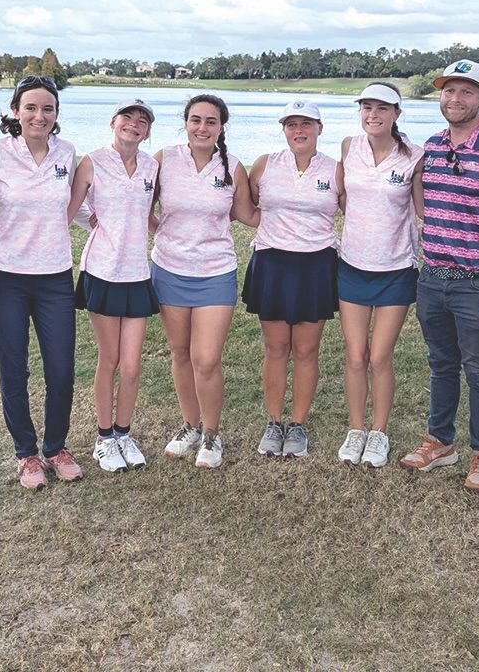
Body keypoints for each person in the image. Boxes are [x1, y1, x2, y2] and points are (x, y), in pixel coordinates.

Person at [397, 60, 479, 495]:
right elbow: (421, 202)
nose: (455, 99)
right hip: (432, 277)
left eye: (466, 92)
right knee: (440, 364)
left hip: (478, 282)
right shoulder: (432, 148)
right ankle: (440, 442)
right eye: (448, 91)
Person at [0, 75, 84, 491]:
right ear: (15, 110)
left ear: (56, 115)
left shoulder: (67, 153)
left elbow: (77, 208)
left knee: (61, 369)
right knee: (13, 369)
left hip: (55, 276)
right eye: (31, 107)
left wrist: (121, 222)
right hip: (7, 278)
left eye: (48, 109)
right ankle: (26, 453)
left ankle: (56, 448)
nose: (40, 116)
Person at [151, 94, 257, 469]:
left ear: (222, 127)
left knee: (207, 359)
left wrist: (302, 210)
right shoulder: (164, 160)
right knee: (180, 353)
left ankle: (212, 434)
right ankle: (189, 426)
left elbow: (247, 214)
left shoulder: (233, 168)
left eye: (211, 121)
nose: (202, 127)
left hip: (215, 272)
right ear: (185, 123)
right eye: (195, 120)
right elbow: (145, 210)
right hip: (168, 270)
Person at [243, 100, 341, 459]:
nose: (298, 131)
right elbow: (249, 207)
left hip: (316, 266)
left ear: (319, 127)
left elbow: (356, 210)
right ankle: (274, 422)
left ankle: (297, 425)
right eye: (291, 125)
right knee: (275, 348)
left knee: (305, 350)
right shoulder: (266, 164)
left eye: (306, 124)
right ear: (284, 129)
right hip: (272, 263)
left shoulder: (335, 169)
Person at [335, 82, 425, 468]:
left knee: (379, 357)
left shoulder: (414, 156)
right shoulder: (347, 146)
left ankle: (379, 433)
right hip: (352, 264)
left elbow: (422, 211)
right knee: (355, 356)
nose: (373, 114)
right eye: (367, 107)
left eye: (382, 108)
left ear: (397, 114)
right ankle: (356, 429)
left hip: (397, 269)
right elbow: (340, 198)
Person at [68, 98, 159, 473]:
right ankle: (104, 439)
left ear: (148, 130)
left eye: (142, 121)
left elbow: (150, 217)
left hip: (138, 274)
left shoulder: (153, 166)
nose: (134, 124)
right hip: (102, 272)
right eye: (127, 117)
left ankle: (123, 434)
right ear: (112, 122)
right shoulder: (91, 161)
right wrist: (95, 222)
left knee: (133, 365)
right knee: (110, 360)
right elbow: (69, 210)